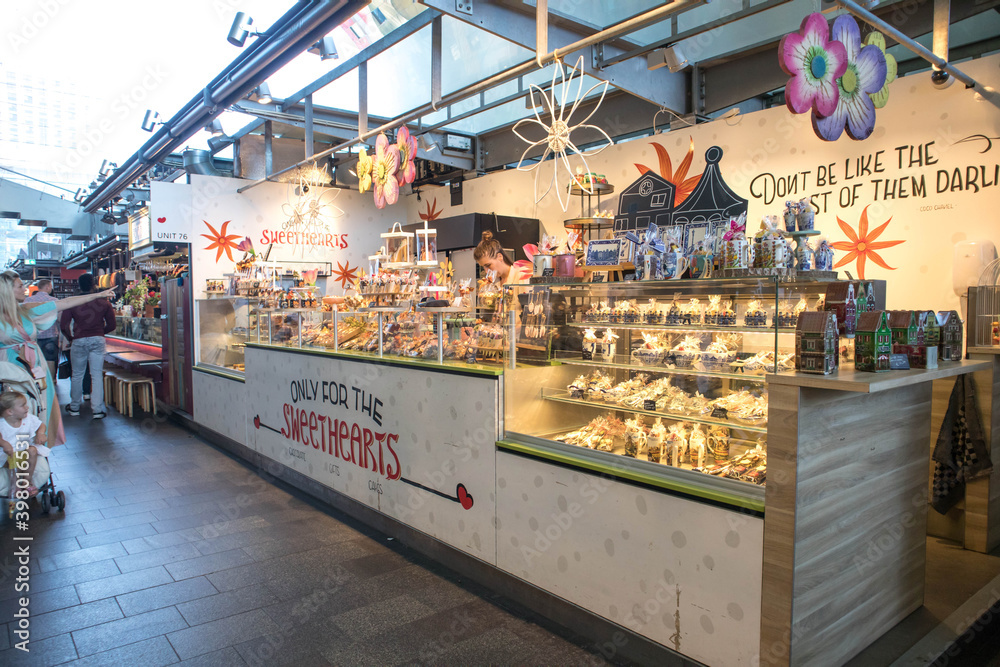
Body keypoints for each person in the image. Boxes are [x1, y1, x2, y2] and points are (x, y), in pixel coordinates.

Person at [0, 270, 115, 444]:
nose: (25, 289)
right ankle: (21, 459)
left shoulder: (26, 310)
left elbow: (65, 303)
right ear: (7, 290)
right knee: (18, 411)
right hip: (12, 368)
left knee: (39, 407)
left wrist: (98, 295)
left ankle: (38, 454)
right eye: (20, 286)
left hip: (35, 366)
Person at [60, 273, 116, 419]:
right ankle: (97, 410)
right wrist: (99, 333)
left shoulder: (73, 302)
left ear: (79, 285)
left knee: (77, 374)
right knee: (96, 375)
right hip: (97, 340)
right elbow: (112, 325)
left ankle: (74, 407)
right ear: (93, 285)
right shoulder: (104, 302)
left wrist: (71, 338)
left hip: (79, 340)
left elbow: (64, 325)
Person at [0, 390, 48, 497]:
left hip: (24, 450)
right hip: (8, 454)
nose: (27, 407)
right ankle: (14, 485)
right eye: (23, 405)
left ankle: (26, 482)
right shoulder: (2, 424)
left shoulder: (28, 418)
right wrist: (3, 443)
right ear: (10, 412)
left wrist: (40, 433)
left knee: (32, 450)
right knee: (13, 456)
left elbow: (41, 424)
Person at [24, 279, 59, 380]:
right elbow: (59, 319)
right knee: (50, 360)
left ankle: (38, 382)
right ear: (47, 287)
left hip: (33, 337)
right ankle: (50, 383)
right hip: (51, 335)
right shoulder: (54, 301)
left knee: (35, 361)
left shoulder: (28, 301)